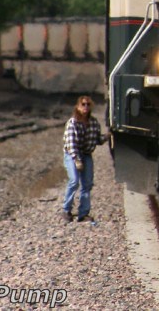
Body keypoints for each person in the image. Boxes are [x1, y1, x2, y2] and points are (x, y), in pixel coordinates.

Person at [61, 95, 107, 223]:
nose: (85, 107)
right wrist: (76, 160)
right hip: (72, 154)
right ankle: (66, 210)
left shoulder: (94, 122)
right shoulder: (73, 122)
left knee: (87, 184)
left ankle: (83, 213)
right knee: (74, 181)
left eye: (88, 104)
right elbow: (71, 144)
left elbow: (97, 139)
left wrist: (107, 136)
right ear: (78, 106)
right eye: (83, 104)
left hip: (86, 154)